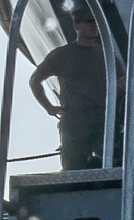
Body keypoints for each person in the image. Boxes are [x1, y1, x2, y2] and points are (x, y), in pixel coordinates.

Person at [29, 13, 109, 170]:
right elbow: (35, 80)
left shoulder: (105, 54)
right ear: (77, 26)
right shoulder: (62, 55)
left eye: (96, 22)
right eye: (88, 21)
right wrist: (48, 107)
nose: (94, 25)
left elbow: (122, 80)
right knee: (73, 168)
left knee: (106, 168)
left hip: (103, 121)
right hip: (75, 121)